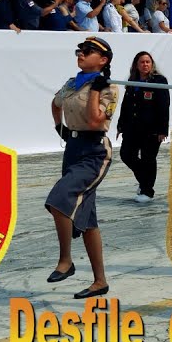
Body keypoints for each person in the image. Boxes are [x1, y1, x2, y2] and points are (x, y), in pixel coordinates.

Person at [46, 36, 119, 299]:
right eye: (80, 50)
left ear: (103, 60)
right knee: (88, 221)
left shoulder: (109, 88)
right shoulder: (72, 82)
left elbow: (95, 122)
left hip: (95, 151)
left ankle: (66, 261)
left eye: (88, 51)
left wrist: (97, 90)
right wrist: (60, 128)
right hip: (74, 149)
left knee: (58, 199)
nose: (81, 53)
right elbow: (56, 104)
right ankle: (100, 281)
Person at [118, 51, 170, 203]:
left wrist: (162, 130)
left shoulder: (159, 80)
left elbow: (163, 106)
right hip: (132, 128)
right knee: (126, 155)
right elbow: (126, 104)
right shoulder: (132, 80)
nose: (145, 64)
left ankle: (147, 191)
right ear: (136, 64)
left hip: (152, 130)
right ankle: (145, 182)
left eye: (148, 62)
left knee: (148, 159)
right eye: (142, 62)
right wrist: (121, 125)